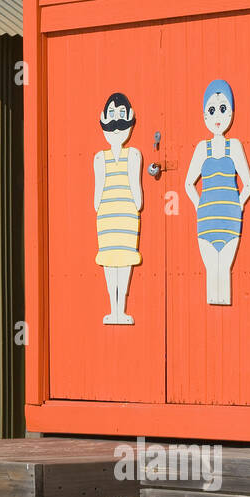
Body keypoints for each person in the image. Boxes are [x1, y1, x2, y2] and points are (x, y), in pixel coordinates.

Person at [183, 78, 250, 305]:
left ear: (230, 111)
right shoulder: (203, 149)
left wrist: (238, 205)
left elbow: (248, 184)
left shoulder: (235, 147)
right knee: (212, 267)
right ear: (205, 115)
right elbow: (188, 183)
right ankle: (214, 303)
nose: (217, 116)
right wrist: (199, 204)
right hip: (207, 219)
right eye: (211, 110)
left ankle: (223, 303)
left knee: (225, 268)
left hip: (231, 219)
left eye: (223, 109)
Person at [93, 92, 143, 324]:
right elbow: (98, 190)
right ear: (103, 118)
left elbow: (136, 188)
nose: (116, 122)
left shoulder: (133, 154)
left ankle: (120, 310)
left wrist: (136, 205)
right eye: (112, 115)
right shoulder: (99, 158)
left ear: (130, 117)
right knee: (109, 260)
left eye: (121, 114)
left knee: (123, 260)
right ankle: (113, 310)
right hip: (108, 215)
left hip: (125, 214)